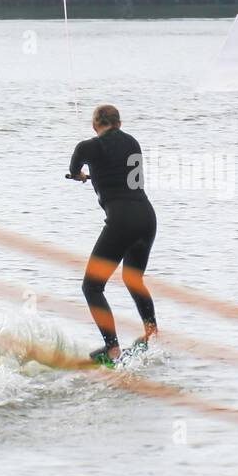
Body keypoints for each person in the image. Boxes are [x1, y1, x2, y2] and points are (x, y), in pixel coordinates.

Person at [68, 104, 158, 365]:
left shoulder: (87, 147)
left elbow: (75, 168)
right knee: (133, 278)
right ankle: (151, 334)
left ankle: (112, 348)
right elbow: (120, 170)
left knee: (92, 287)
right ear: (119, 123)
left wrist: (80, 176)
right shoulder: (133, 142)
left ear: (95, 125)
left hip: (121, 222)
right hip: (147, 217)